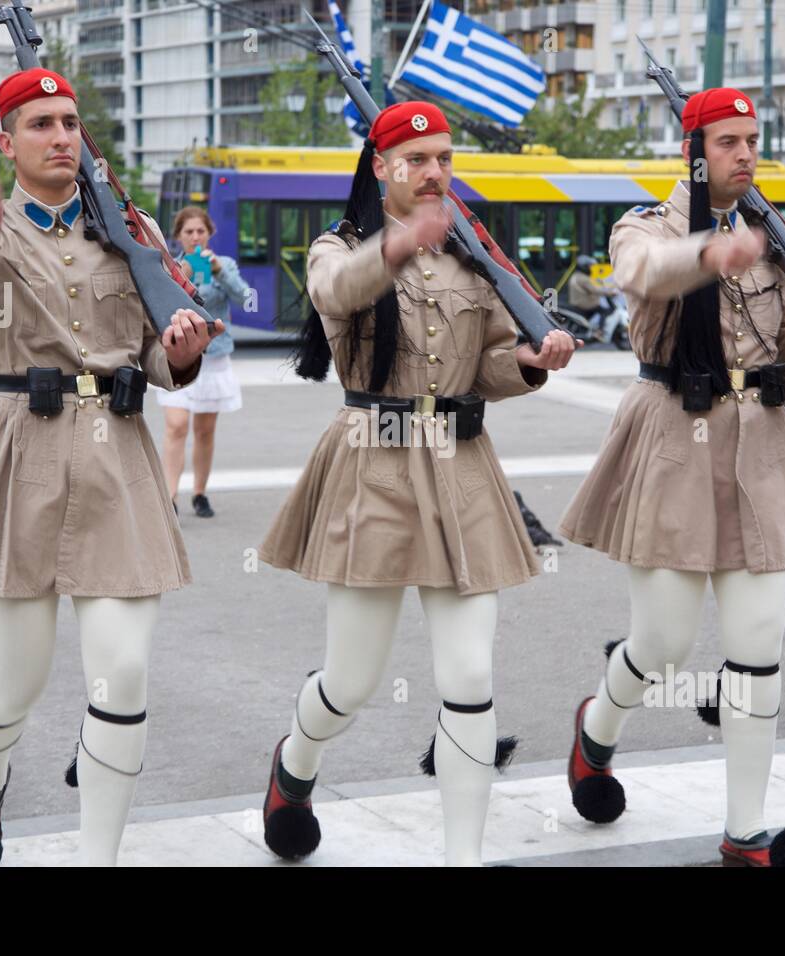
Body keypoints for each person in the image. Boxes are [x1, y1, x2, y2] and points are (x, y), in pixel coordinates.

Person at [0, 67, 220, 867]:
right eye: (41, 125)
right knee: (12, 686)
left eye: (70, 121)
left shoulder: (131, 230)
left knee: (124, 674)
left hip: (119, 458)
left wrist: (183, 357)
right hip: (17, 453)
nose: (62, 136)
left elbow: (156, 354)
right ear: (5, 143)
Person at [557, 87, 785, 866]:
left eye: (753, 139)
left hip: (761, 450)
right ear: (694, 151)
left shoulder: (768, 234)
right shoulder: (647, 226)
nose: (746, 154)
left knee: (757, 651)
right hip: (675, 440)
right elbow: (640, 275)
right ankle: (596, 729)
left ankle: (743, 833)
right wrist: (709, 253)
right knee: (664, 646)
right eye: (728, 142)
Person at [257, 101, 581, 866]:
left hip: (462, 468)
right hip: (374, 462)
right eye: (417, 160)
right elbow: (336, 295)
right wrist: (400, 244)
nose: (435, 172)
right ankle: (295, 764)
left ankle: (463, 855)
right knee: (352, 681)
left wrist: (531, 364)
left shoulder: (475, 255)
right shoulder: (340, 247)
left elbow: (493, 364)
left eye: (444, 158)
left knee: (470, 675)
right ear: (381, 167)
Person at [154, 205, 250, 517]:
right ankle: (170, 495)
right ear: (178, 237)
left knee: (205, 431)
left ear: (209, 234)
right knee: (176, 425)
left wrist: (219, 272)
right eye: (188, 232)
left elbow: (244, 297)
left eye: (200, 231)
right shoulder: (170, 267)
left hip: (213, 357)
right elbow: (159, 302)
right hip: (180, 354)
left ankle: (200, 492)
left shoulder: (224, 265)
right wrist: (182, 275)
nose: (195, 237)